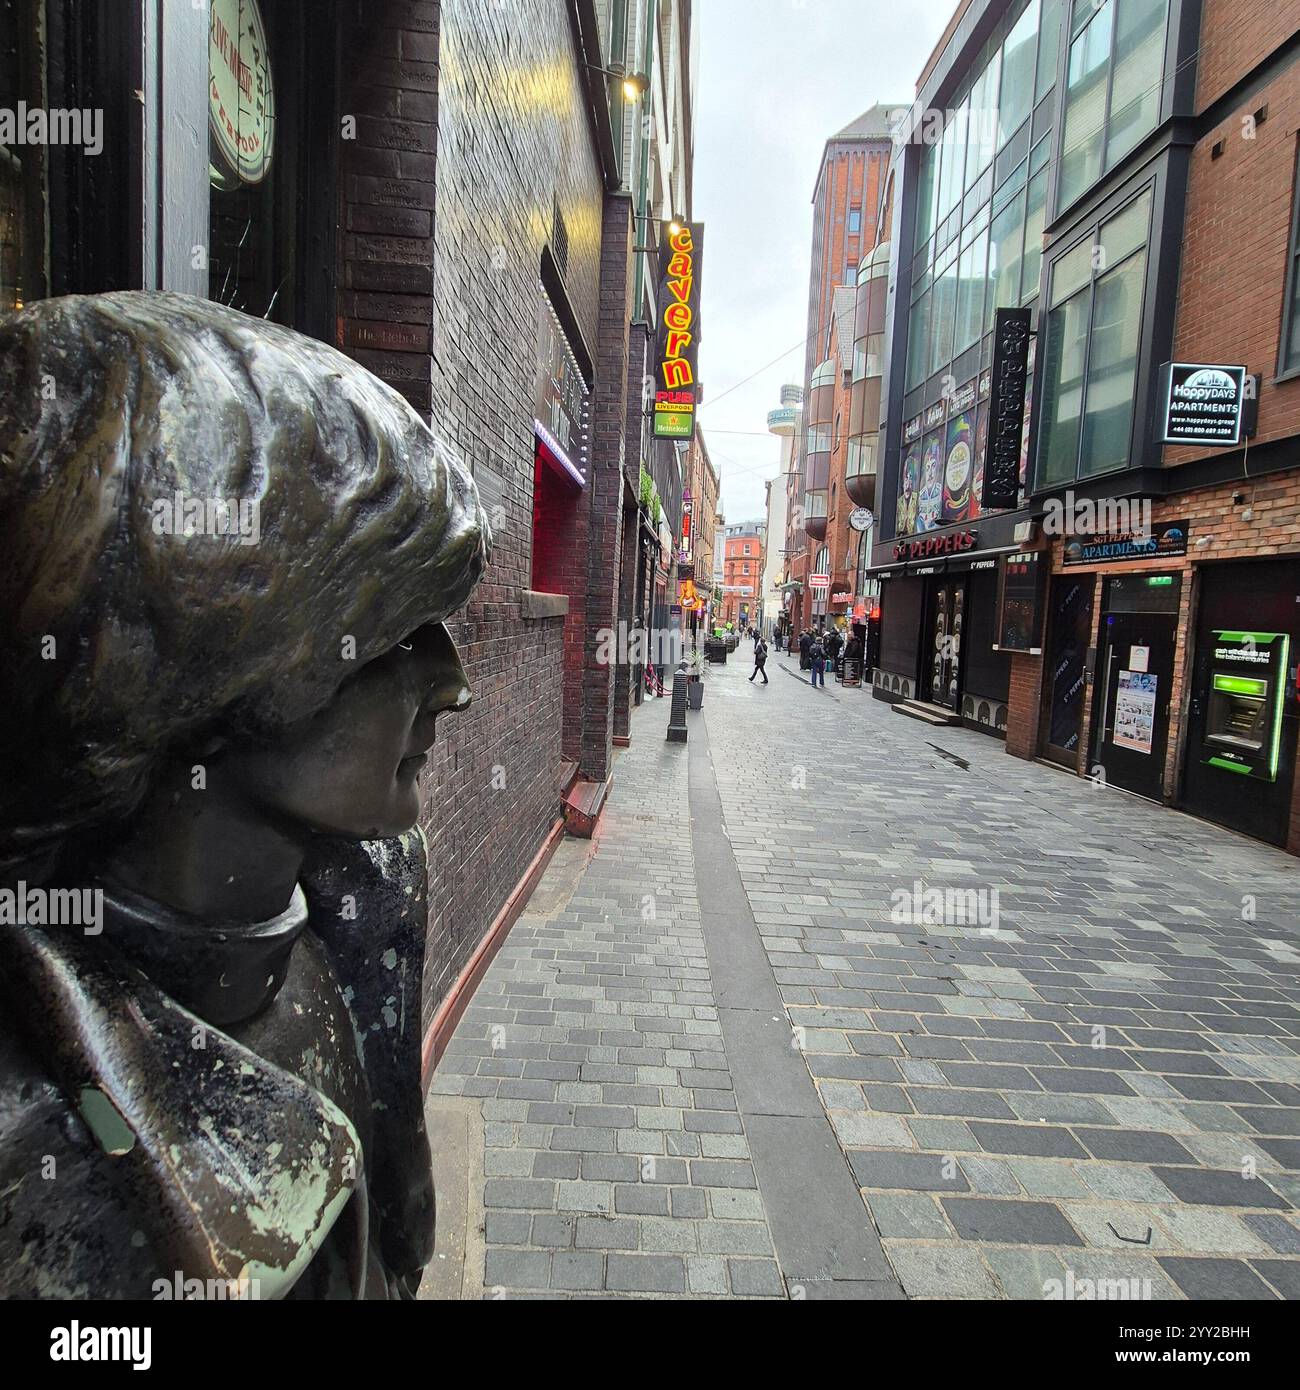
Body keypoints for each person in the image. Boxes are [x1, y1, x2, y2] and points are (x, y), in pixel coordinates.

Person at [0, 291, 491, 1298]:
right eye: (395, 633)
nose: (453, 683)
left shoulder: (366, 905)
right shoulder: (32, 1159)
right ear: (222, 662)